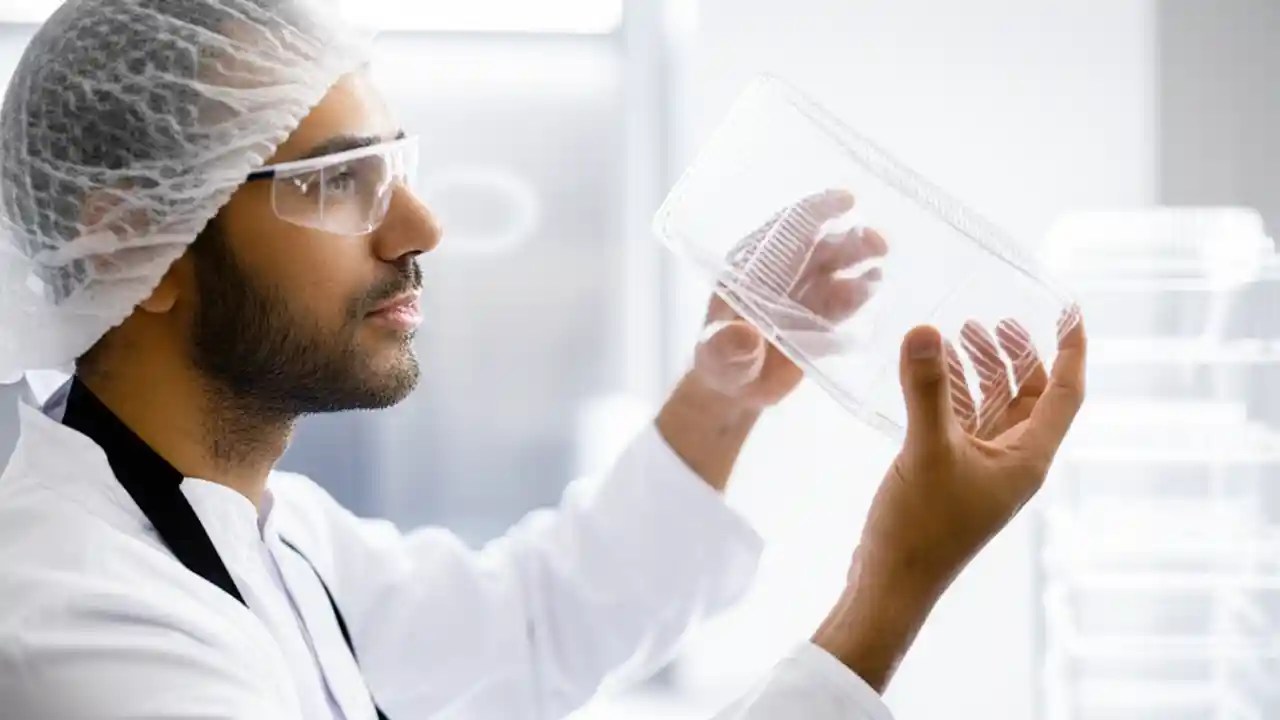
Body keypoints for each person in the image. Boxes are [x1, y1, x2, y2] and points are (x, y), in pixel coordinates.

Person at [0, 1, 1088, 719]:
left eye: (398, 167)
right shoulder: (89, 636)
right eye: (339, 183)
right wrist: (890, 590)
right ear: (140, 243)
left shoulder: (266, 533)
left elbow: (529, 621)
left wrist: (722, 396)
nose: (419, 227)